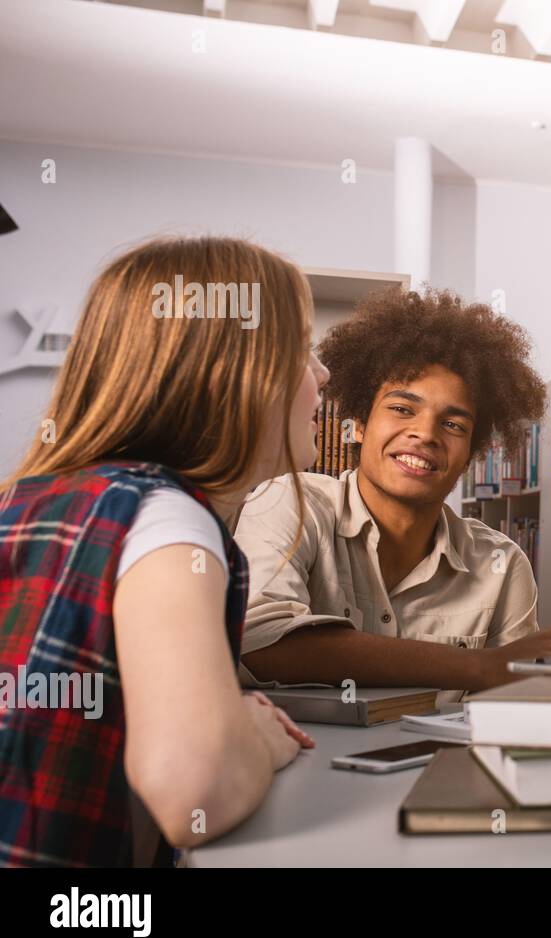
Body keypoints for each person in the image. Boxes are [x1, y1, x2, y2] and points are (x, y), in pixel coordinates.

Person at [0, 236, 319, 866]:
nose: (324, 375)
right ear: (232, 376)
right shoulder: (167, 518)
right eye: (306, 352)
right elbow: (189, 786)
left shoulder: (27, 498)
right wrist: (255, 735)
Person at [236, 287, 551, 694]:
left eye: (453, 425)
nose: (425, 434)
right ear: (360, 423)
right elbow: (262, 640)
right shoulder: (291, 504)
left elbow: (508, 700)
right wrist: (477, 666)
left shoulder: (502, 565)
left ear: (471, 452)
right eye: (402, 409)